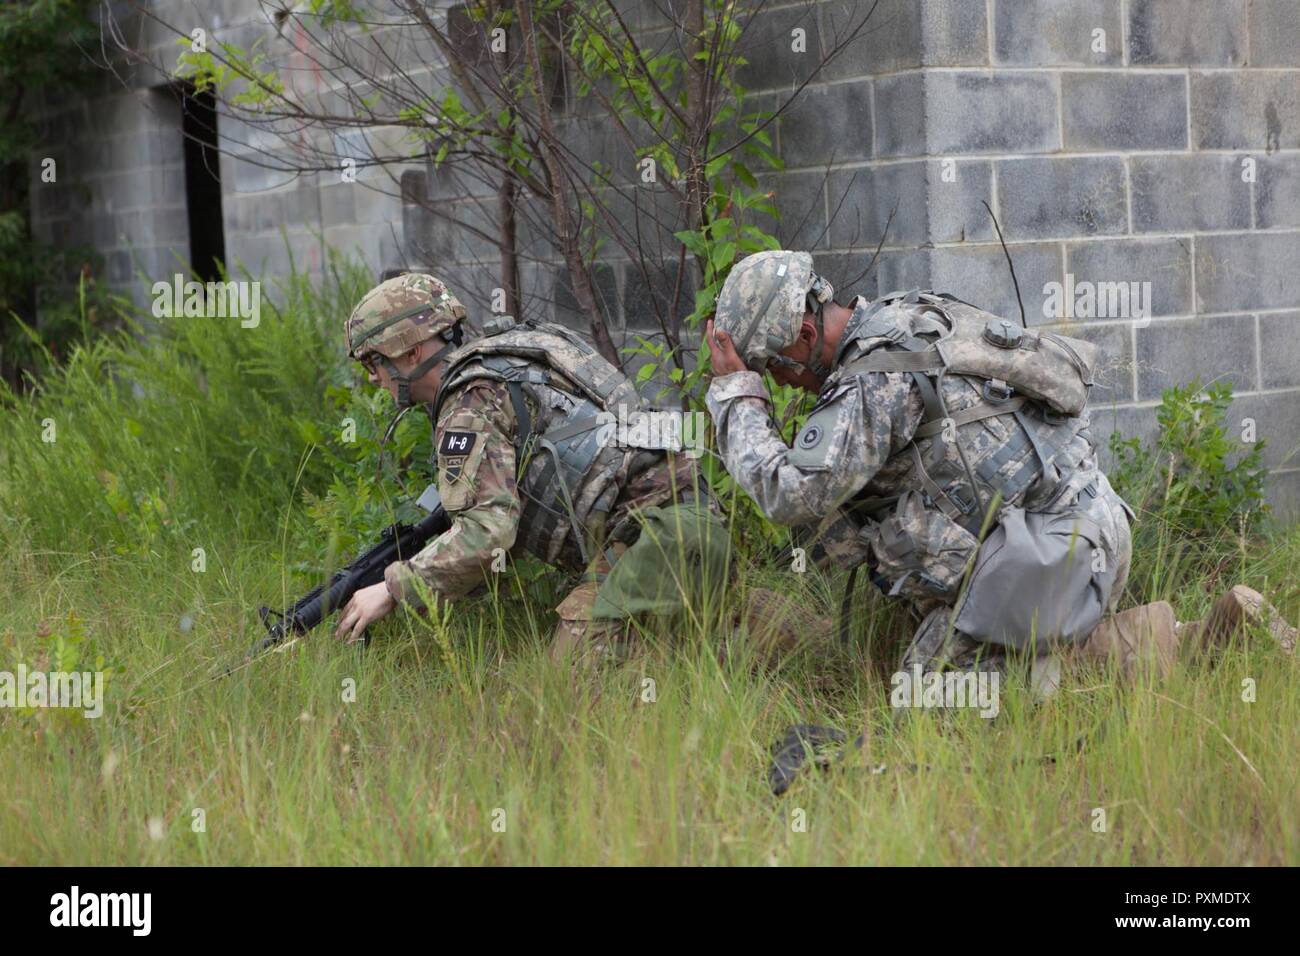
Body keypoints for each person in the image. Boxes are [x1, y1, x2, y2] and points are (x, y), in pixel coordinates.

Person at [704, 251, 1294, 689]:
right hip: (1082, 531)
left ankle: (1199, 644)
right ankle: (1136, 638)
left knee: (934, 698)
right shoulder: (908, 314)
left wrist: (735, 394)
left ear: (806, 334)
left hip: (1049, 562)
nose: (779, 383)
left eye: (773, 369)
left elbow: (789, 494)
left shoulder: (871, 381)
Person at [332, 272, 793, 663]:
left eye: (376, 361)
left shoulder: (469, 402)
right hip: (686, 521)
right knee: (730, 621)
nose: (373, 377)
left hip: (651, 538)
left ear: (410, 353)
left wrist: (393, 588)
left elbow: (486, 535)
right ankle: (810, 640)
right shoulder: (511, 358)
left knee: (569, 697)